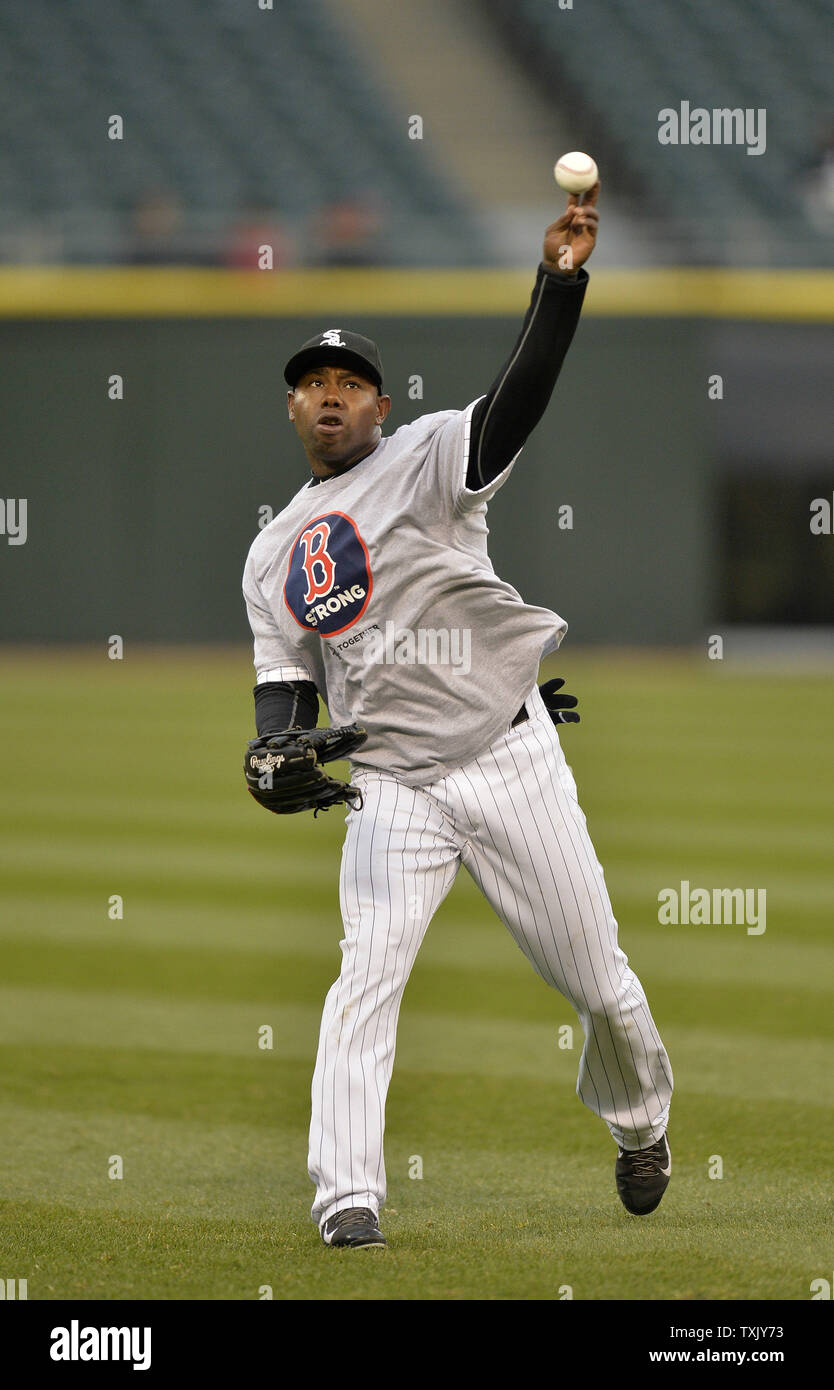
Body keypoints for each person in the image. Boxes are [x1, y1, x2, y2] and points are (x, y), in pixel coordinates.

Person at [242, 182, 673, 1249]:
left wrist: (558, 285)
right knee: (364, 975)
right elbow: (286, 695)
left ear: (380, 406)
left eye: (351, 382)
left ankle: (643, 1120)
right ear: (292, 408)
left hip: (511, 756)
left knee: (602, 985)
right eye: (314, 384)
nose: (332, 396)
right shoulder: (270, 556)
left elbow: (516, 399)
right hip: (395, 788)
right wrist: (271, 751)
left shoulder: (430, 459)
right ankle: (347, 1194)